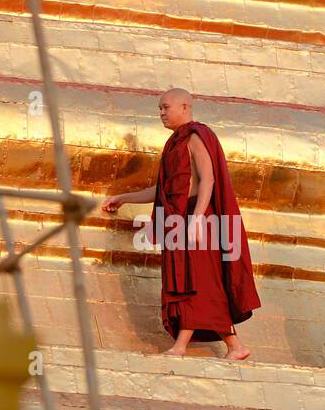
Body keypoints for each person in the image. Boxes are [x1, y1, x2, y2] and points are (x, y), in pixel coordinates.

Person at [103, 88, 260, 358]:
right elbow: (163, 189)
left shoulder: (197, 136)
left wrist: (197, 221)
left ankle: (183, 345)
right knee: (191, 282)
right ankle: (235, 346)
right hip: (180, 220)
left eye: (166, 107)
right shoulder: (174, 144)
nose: (161, 113)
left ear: (184, 106)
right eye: (160, 109)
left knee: (198, 281)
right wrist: (123, 198)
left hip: (199, 219)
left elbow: (208, 179)